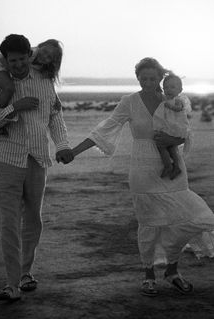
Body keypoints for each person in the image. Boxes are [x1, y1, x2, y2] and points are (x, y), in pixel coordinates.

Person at [64, 57, 214, 296]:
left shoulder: (172, 100)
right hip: (143, 168)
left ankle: (172, 271)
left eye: (152, 78)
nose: (147, 82)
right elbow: (106, 127)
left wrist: (172, 141)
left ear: (160, 79)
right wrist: (74, 151)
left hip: (174, 169)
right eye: (143, 78)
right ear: (138, 79)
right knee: (149, 223)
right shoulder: (130, 102)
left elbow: (185, 133)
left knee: (188, 217)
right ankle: (149, 275)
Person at [0, 34, 74, 301]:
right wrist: (14, 107)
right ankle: (11, 285)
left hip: (37, 160)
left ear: (29, 56)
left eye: (23, 59)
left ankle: (26, 273)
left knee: (33, 218)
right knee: (9, 223)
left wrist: (63, 145)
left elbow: (55, 116)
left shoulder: (44, 81)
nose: (19, 65)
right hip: (8, 161)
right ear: (5, 60)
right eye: (13, 61)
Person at [0, 38, 63, 135]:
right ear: (40, 46)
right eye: (45, 51)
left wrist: (55, 97)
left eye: (49, 57)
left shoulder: (39, 65)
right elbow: (4, 61)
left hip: (3, 64)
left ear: (51, 61)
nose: (44, 56)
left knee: (9, 88)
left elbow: (46, 84)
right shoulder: (31, 53)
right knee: (9, 87)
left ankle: (1, 120)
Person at [153, 73, 192, 180]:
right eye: (165, 87)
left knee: (161, 146)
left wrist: (170, 106)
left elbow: (178, 108)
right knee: (170, 148)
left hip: (177, 129)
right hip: (171, 129)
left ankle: (168, 166)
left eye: (172, 87)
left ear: (180, 89)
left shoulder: (178, 100)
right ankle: (176, 167)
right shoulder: (166, 101)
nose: (168, 90)